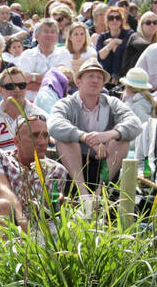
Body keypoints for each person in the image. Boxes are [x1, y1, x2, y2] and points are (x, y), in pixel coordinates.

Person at [47, 60, 141, 196]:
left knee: (121, 140)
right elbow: (54, 125)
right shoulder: (65, 104)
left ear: (103, 84)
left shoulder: (112, 103)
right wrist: (85, 138)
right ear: (78, 82)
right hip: (74, 165)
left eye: (99, 77)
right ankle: (83, 195)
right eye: (90, 76)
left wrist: (110, 134)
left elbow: (135, 124)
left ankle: (100, 194)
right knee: (66, 140)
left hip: (104, 163)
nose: (95, 80)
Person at [0, 112, 68, 228]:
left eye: (46, 135)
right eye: (35, 135)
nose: (43, 142)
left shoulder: (56, 170)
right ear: (17, 141)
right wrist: (21, 219)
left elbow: (48, 214)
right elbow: (1, 190)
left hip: (29, 233)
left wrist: (59, 203)